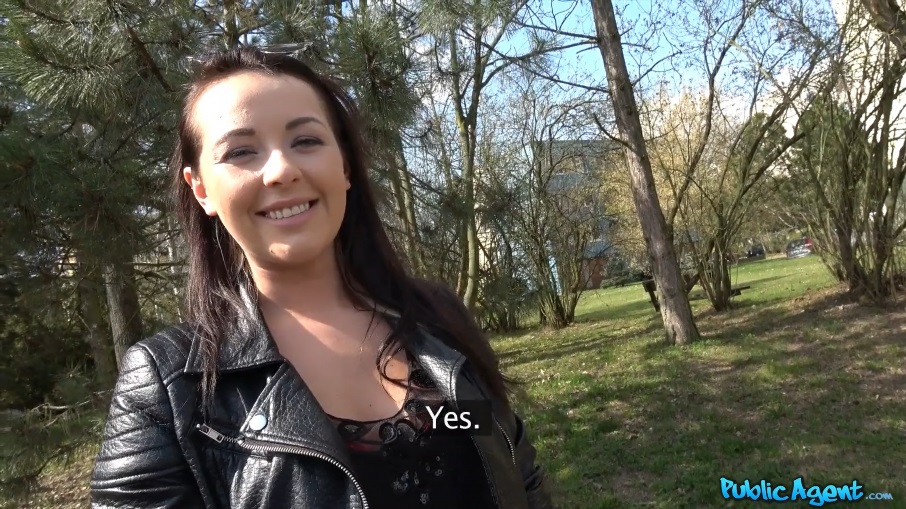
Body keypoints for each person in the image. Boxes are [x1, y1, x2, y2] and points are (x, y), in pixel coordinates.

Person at [89, 47, 553, 509]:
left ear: (344, 166)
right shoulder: (169, 386)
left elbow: (517, 473)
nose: (282, 170)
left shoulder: (436, 319)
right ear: (202, 189)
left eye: (306, 141)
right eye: (241, 151)